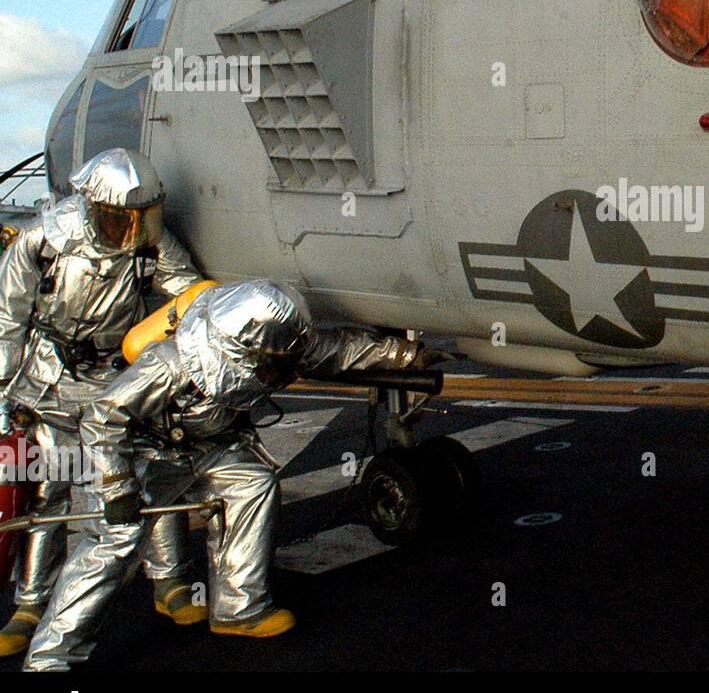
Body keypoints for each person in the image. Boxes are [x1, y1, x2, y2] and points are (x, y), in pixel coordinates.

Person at [24, 279, 437, 671]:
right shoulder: (170, 362)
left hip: (217, 445)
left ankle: (239, 607)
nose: (279, 370)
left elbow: (339, 349)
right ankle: (50, 653)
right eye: (269, 363)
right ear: (240, 346)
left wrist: (404, 356)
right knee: (116, 540)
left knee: (252, 483)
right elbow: (102, 418)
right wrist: (117, 487)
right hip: (150, 454)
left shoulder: (280, 347)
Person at [0, 149, 204, 656]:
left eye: (145, 217)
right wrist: (3, 396)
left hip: (112, 379)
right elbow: (7, 320)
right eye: (121, 218)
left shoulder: (150, 243)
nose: (133, 229)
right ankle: (30, 604)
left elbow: (190, 296)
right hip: (48, 379)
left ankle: (171, 582)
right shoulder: (43, 241)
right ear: (91, 207)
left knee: (143, 479)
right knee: (48, 490)